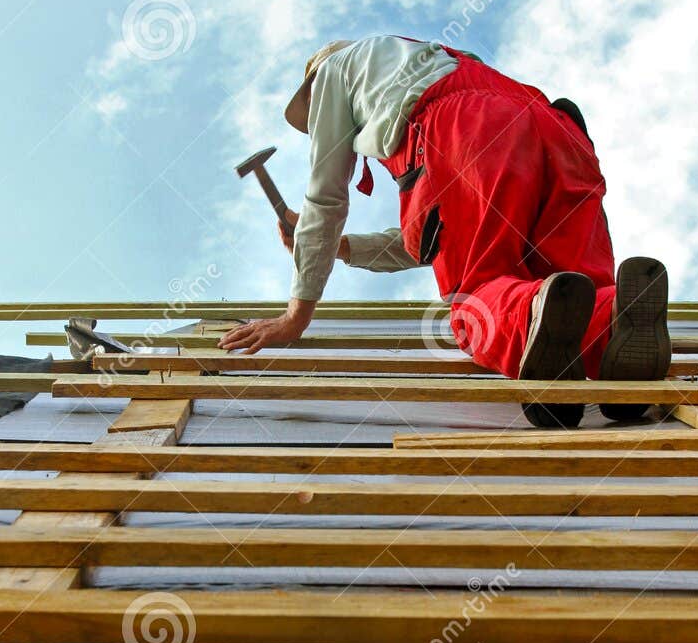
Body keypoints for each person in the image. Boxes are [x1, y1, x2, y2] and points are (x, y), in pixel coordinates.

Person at [219, 35, 671, 427]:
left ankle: (531, 316)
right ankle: (614, 326)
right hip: (555, 129)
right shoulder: (439, 61)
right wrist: (341, 249)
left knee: (477, 298)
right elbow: (433, 238)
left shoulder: (334, 73)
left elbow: (325, 201)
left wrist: (295, 318)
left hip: (466, 134)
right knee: (577, 284)